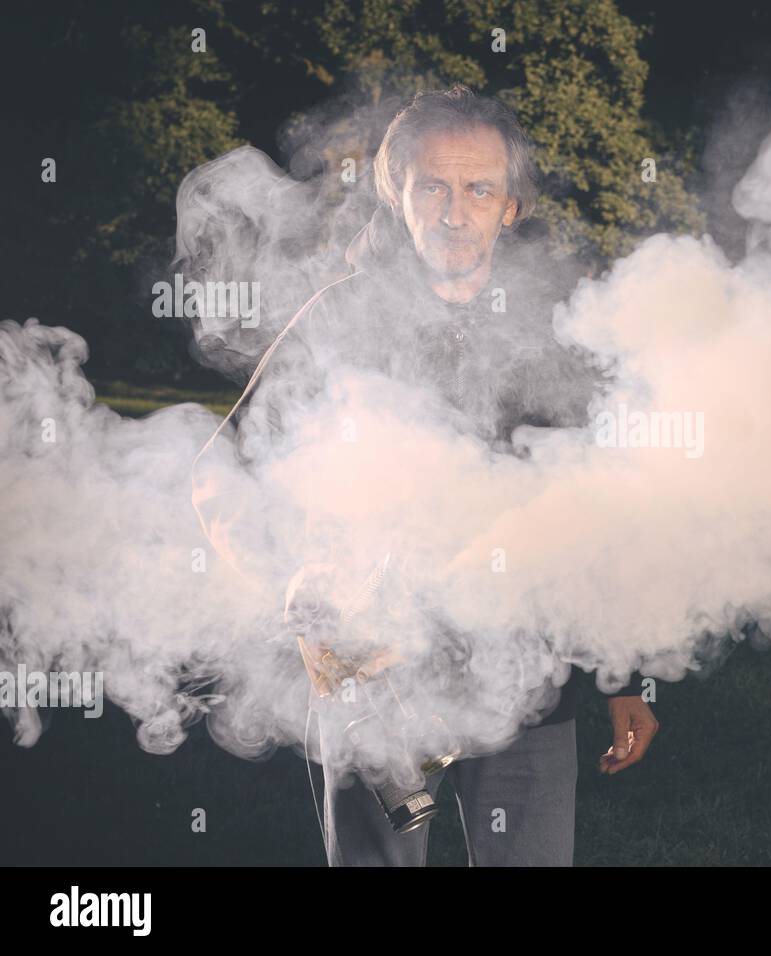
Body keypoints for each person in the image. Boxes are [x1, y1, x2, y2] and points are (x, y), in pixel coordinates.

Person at [192, 85, 659, 866]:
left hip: (529, 685)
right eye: (432, 187)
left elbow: (599, 515)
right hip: (376, 684)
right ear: (397, 195)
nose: (454, 211)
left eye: (480, 188)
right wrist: (290, 579)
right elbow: (223, 472)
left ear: (511, 206)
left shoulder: (559, 336)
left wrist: (625, 679)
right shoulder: (338, 320)